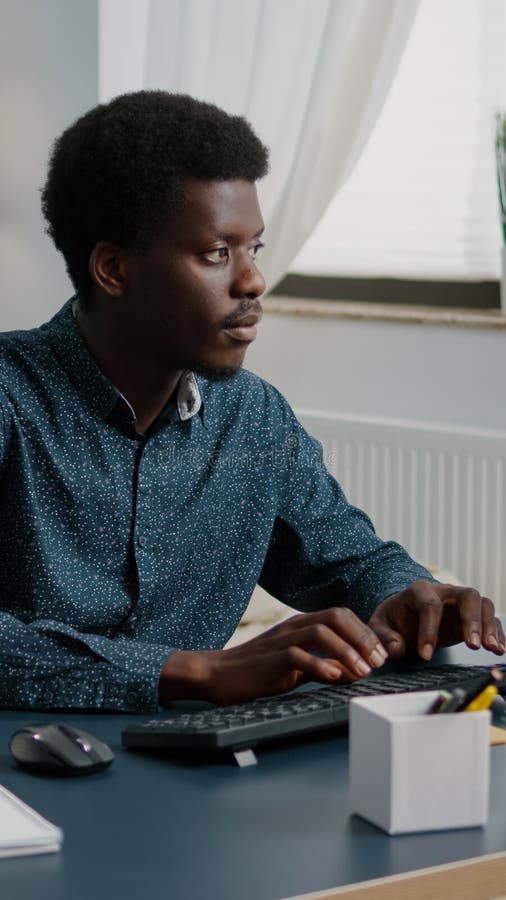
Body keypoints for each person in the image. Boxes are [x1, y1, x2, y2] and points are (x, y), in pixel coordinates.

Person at [0, 92, 503, 713]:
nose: (253, 281)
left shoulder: (253, 417)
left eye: (254, 248)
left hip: (193, 769)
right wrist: (193, 671)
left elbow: (343, 554)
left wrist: (410, 595)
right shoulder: (10, 398)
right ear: (113, 270)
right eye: (218, 252)